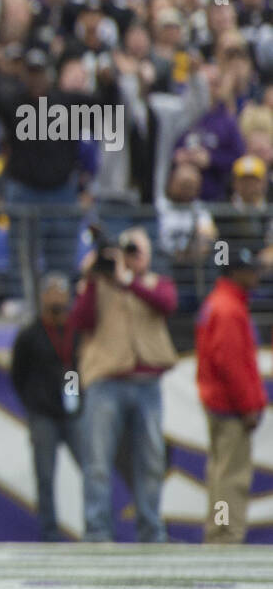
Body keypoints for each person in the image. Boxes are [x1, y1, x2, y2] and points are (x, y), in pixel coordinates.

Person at [69, 227, 178, 543]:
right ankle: (97, 530)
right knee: (98, 461)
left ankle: (150, 528)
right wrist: (92, 278)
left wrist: (128, 280)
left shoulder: (157, 284)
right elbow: (81, 321)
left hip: (148, 383)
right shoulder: (98, 286)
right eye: (125, 251)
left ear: (148, 255)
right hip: (106, 383)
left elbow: (168, 304)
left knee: (151, 460)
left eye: (136, 251)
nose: (130, 258)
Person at [195, 249, 267, 545]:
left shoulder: (220, 303)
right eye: (249, 270)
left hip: (220, 403)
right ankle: (224, 534)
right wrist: (248, 405)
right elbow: (230, 363)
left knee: (221, 473)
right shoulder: (228, 308)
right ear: (234, 272)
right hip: (230, 406)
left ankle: (219, 531)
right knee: (230, 478)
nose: (256, 275)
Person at [10, 273, 86, 542]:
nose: (56, 297)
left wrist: (79, 401)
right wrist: (33, 404)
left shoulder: (76, 331)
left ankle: (96, 527)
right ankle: (49, 533)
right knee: (45, 476)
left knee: (92, 470)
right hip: (43, 414)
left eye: (61, 291)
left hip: (73, 413)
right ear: (42, 296)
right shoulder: (30, 334)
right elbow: (17, 374)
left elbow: (82, 367)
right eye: (51, 291)